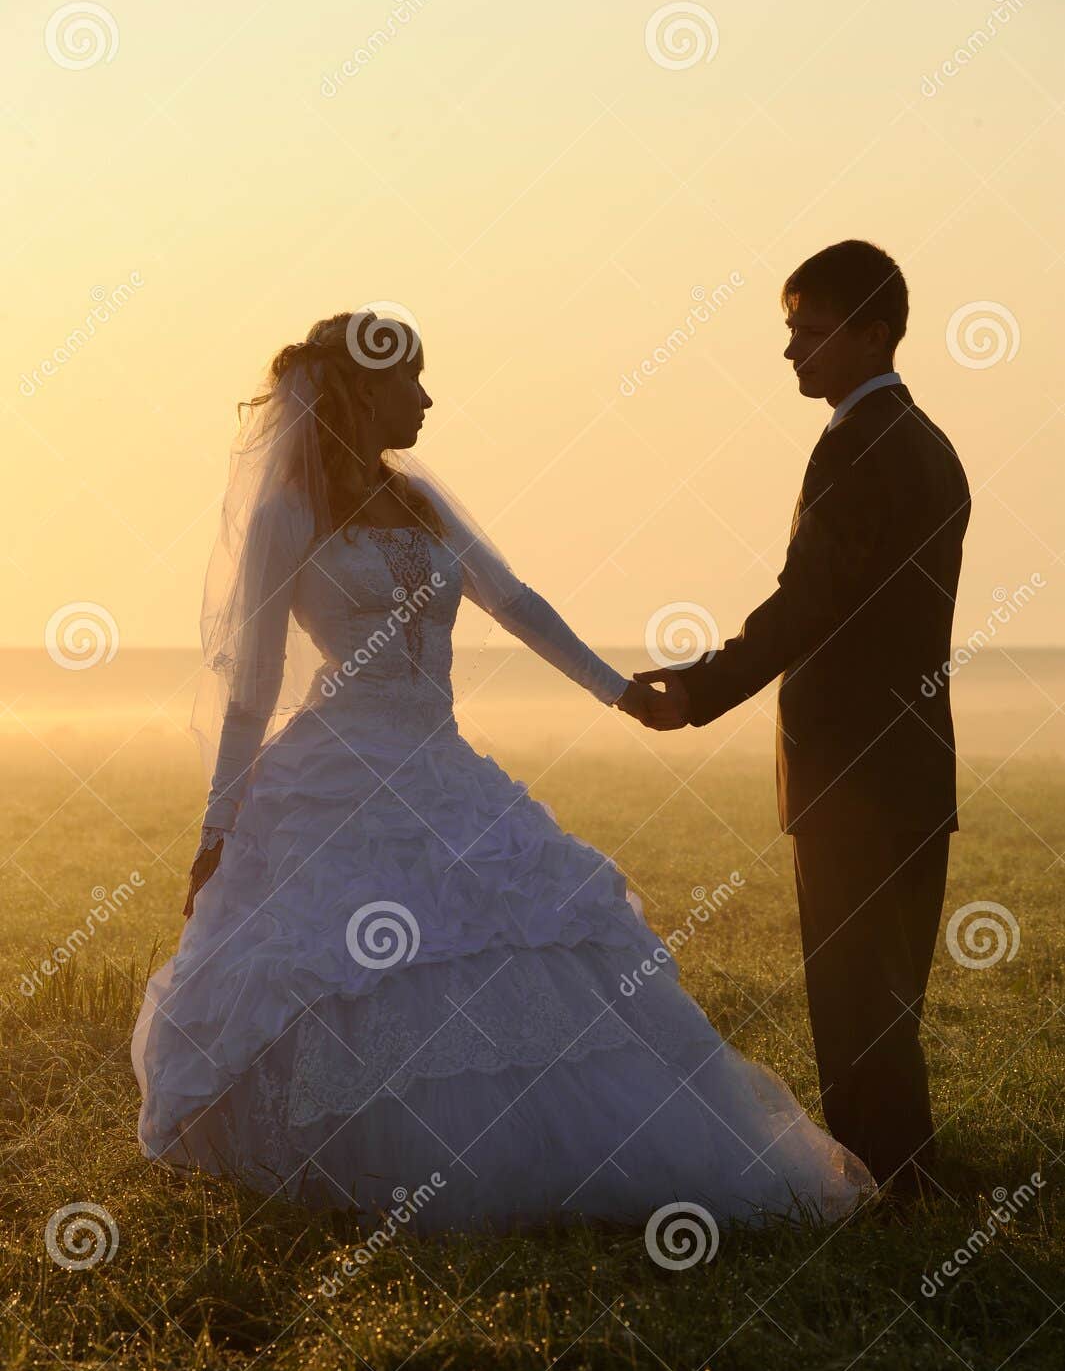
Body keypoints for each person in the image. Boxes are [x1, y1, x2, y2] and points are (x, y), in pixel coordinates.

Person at [132, 308, 873, 1234]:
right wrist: (217, 828)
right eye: (413, 381)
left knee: (519, 935)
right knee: (353, 965)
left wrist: (621, 693)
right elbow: (251, 688)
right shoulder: (288, 514)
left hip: (438, 761)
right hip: (335, 769)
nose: (429, 398)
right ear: (364, 390)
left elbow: (514, 603)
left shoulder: (420, 504)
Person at [634, 241, 971, 1198]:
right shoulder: (931, 443)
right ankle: (900, 1172)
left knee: (853, 989)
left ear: (873, 334)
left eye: (811, 334)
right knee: (888, 989)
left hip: (850, 767)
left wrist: (700, 690)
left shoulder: (853, 447)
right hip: (913, 759)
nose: (792, 353)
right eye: (790, 333)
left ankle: (881, 1184)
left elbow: (806, 601)